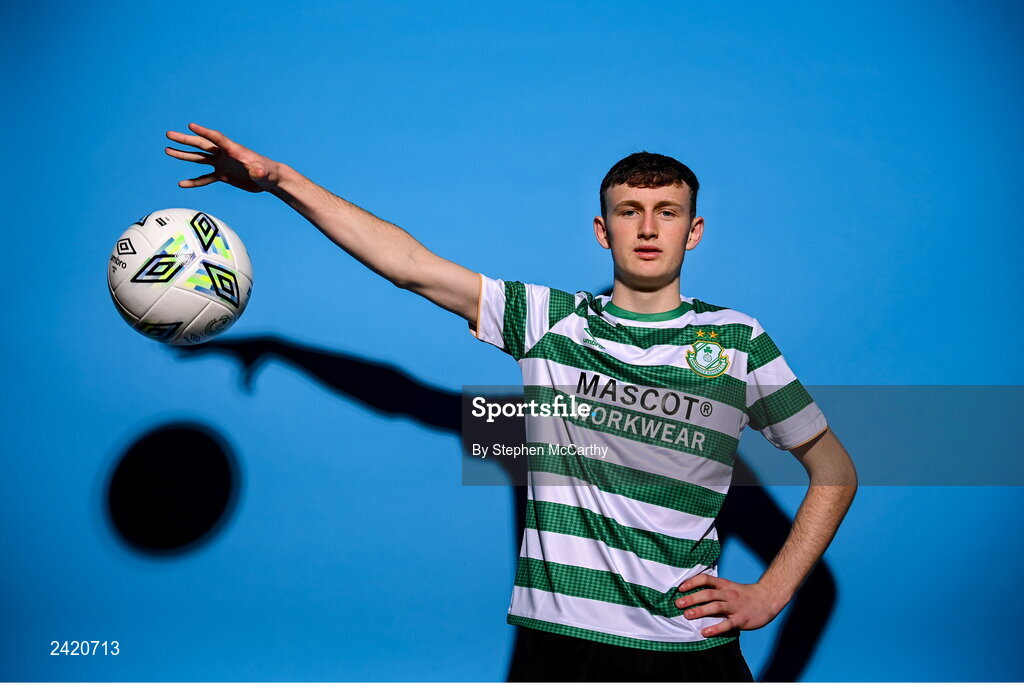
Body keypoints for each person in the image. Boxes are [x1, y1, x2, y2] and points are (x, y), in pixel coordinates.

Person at [164, 124, 858, 682]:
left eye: (666, 212)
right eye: (630, 212)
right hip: (561, 649)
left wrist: (769, 594)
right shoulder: (552, 323)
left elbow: (834, 471)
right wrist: (280, 181)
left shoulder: (736, 340)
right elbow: (410, 269)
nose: (648, 228)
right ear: (603, 229)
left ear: (693, 230)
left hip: (686, 650)